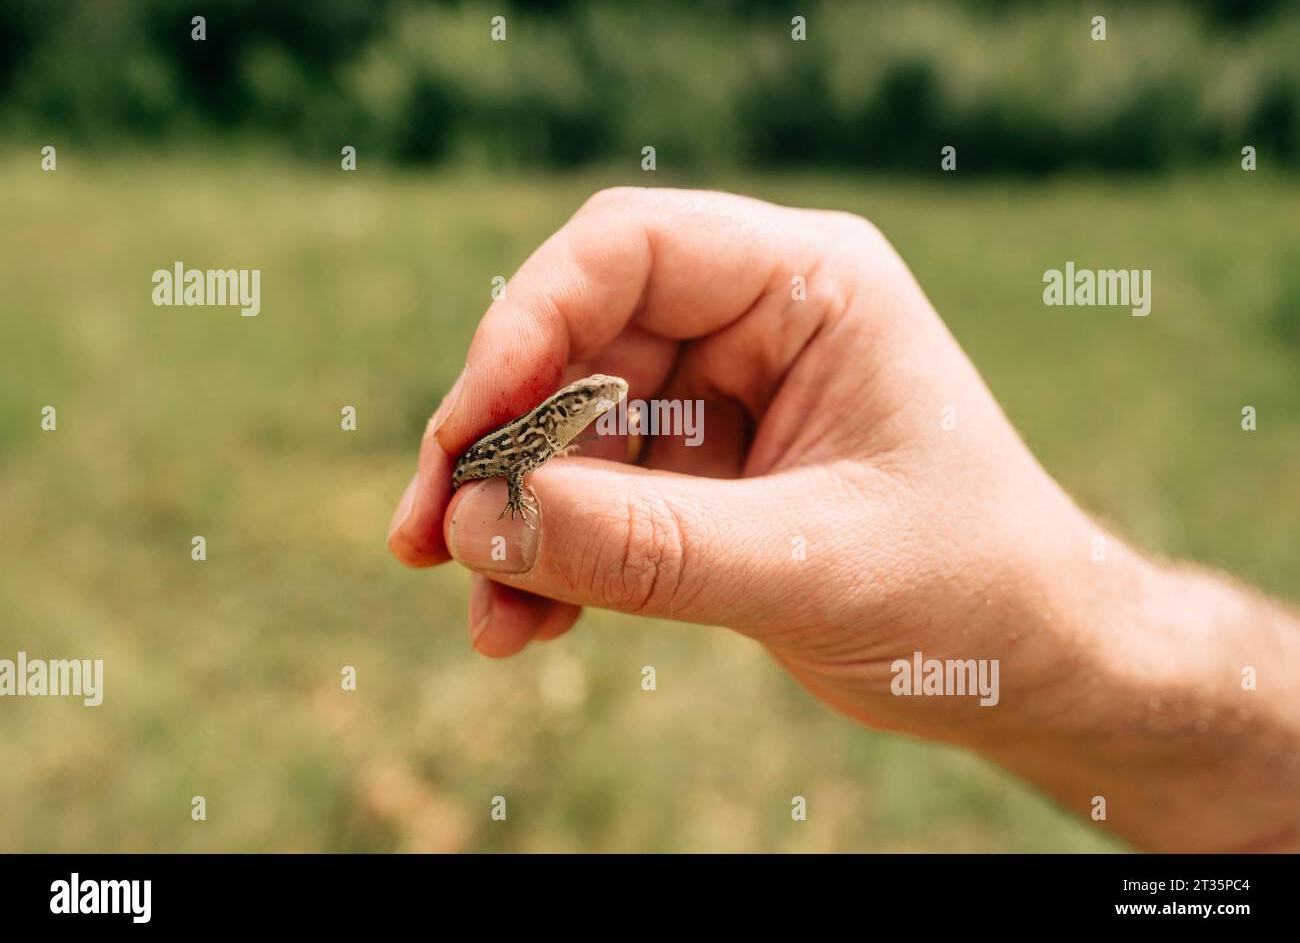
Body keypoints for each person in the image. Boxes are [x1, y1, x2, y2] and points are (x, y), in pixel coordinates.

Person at [386, 188, 1300, 853]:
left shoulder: (555, 436)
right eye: (591, 395)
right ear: (569, 405)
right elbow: (510, 471)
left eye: (594, 395)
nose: (602, 398)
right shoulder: (537, 437)